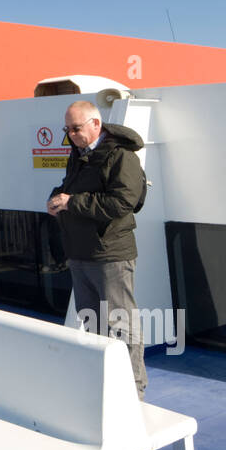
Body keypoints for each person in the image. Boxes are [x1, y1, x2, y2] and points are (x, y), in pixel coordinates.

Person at [46, 101, 148, 399]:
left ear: (95, 124)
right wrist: (57, 198)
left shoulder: (121, 156)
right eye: (67, 130)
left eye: (75, 129)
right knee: (92, 322)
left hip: (110, 255)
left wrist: (71, 202)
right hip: (80, 253)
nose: (71, 136)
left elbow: (121, 203)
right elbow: (71, 188)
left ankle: (133, 393)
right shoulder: (78, 155)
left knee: (121, 324)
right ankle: (106, 387)